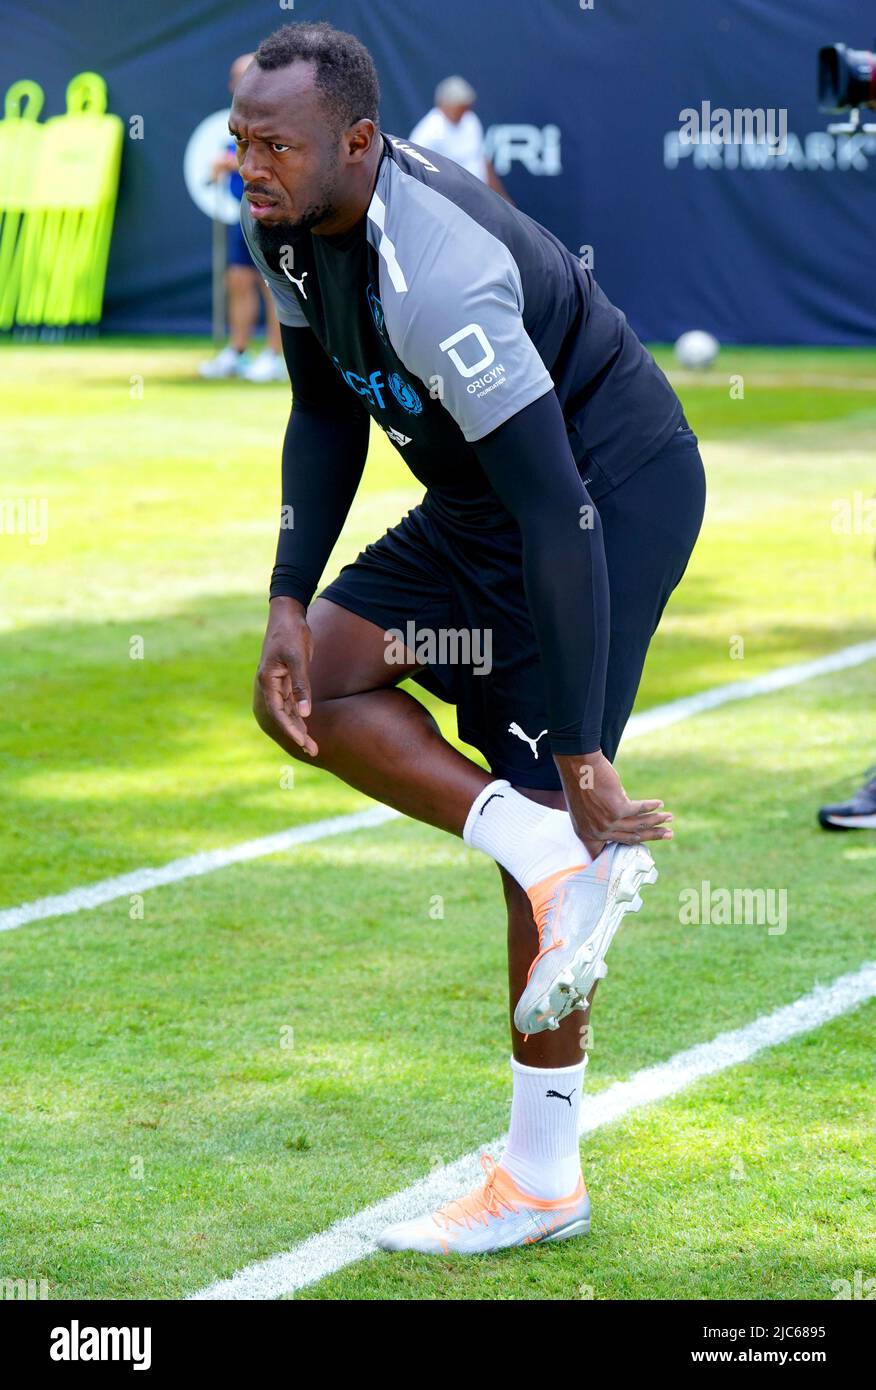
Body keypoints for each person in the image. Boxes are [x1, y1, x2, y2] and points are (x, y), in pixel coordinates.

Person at [232, 22, 706, 1254]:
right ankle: (544, 843)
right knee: (309, 687)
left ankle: (544, 1178)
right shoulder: (278, 227)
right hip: (479, 501)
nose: (250, 164)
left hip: (605, 487)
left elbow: (562, 508)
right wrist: (289, 595)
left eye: (275, 144)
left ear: (360, 141)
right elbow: (325, 409)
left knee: (548, 811)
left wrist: (586, 747)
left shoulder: (435, 271)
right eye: (240, 140)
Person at [200, 53, 286, 382]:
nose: (234, 84)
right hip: (244, 214)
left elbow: (272, 159)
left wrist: (229, 163)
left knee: (273, 285)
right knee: (238, 279)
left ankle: (274, 356)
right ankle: (237, 352)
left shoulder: (277, 116)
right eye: (234, 78)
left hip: (273, 217)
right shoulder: (237, 121)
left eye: (241, 77)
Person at [409, 74, 509, 197]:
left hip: (480, 198)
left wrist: (500, 197)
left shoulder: (471, 120)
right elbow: (414, 170)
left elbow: (482, 160)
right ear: (445, 104)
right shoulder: (428, 131)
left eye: (467, 107)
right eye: (461, 107)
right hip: (451, 201)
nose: (465, 111)